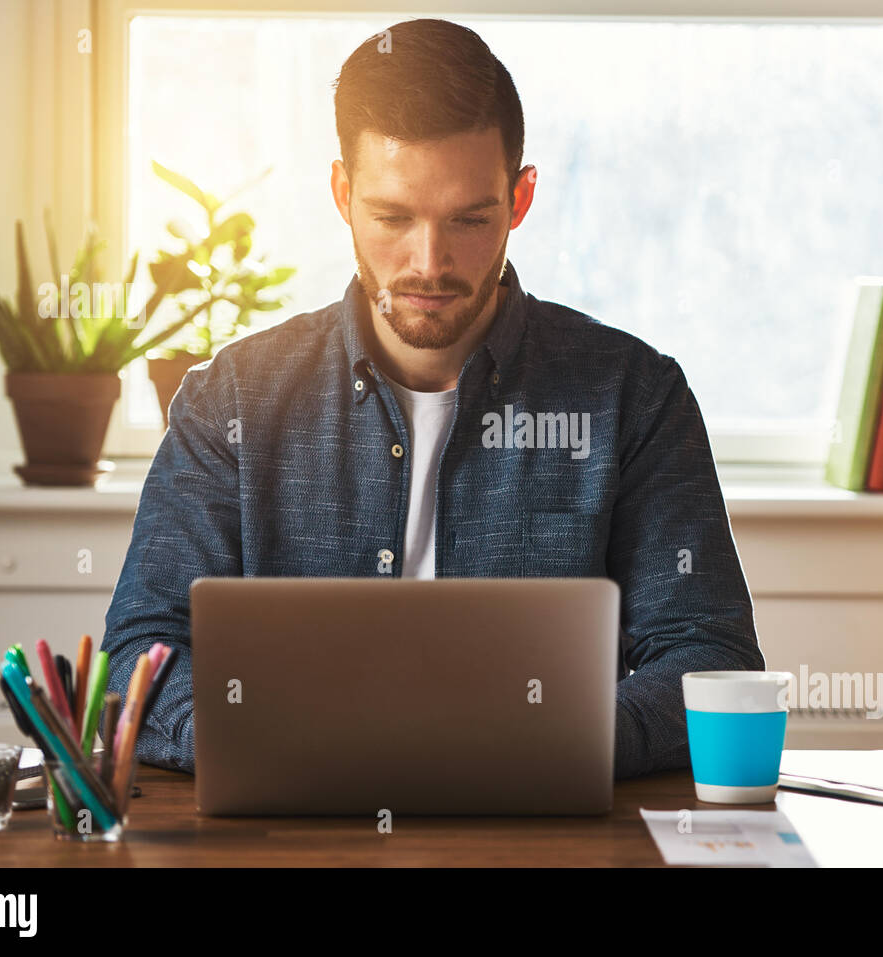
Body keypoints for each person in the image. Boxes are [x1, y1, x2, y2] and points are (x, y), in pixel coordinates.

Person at [102, 17, 764, 781]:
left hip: (543, 830)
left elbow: (708, 656)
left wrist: (540, 743)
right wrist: (274, 740)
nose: (429, 262)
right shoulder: (230, 401)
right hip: (290, 833)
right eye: (392, 217)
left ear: (520, 198)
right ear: (342, 194)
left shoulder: (636, 399)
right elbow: (139, 653)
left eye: (469, 220)